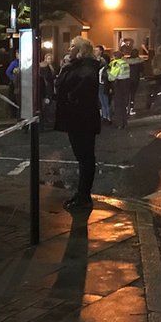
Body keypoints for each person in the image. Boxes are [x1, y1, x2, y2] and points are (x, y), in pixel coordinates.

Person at [54, 37, 102, 210]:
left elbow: (78, 91)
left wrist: (70, 97)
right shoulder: (76, 66)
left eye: (73, 46)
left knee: (85, 158)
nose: (69, 48)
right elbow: (59, 85)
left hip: (82, 119)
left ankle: (84, 196)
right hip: (76, 119)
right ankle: (82, 193)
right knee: (82, 157)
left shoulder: (86, 68)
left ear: (81, 49)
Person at [107, 49, 131, 128]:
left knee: (118, 105)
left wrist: (108, 72)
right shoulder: (125, 63)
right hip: (126, 84)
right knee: (124, 104)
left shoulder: (116, 63)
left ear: (115, 56)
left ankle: (119, 124)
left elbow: (112, 77)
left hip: (119, 85)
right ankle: (125, 122)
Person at [94, 45, 112, 123]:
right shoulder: (99, 67)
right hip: (99, 84)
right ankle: (104, 116)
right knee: (101, 101)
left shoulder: (106, 68)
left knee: (105, 101)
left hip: (104, 85)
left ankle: (108, 117)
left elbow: (109, 78)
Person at [125, 47, 143, 115]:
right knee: (133, 94)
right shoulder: (139, 62)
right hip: (135, 79)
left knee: (127, 93)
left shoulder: (126, 61)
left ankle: (126, 107)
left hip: (127, 78)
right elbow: (142, 70)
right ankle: (131, 108)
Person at [39, 53, 56, 127]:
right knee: (45, 105)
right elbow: (47, 78)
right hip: (47, 88)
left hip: (48, 88)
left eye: (51, 59)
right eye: (48, 58)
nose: (50, 60)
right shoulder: (45, 67)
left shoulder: (50, 67)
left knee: (47, 105)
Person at [5, 52, 20, 117]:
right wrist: (13, 79)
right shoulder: (14, 63)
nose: (17, 55)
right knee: (14, 99)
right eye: (16, 54)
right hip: (15, 84)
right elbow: (8, 72)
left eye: (18, 54)